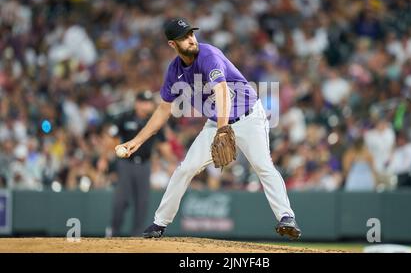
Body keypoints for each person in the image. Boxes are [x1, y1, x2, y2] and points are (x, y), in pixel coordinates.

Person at [116, 17, 301, 239]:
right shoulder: (174, 71)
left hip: (249, 116)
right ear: (172, 44)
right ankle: (159, 223)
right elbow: (163, 110)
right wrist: (136, 141)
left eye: (191, 34)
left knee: (263, 166)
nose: (191, 39)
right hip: (217, 122)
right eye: (183, 37)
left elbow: (222, 91)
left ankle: (286, 216)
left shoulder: (208, 55)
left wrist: (223, 130)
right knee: (185, 169)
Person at [109, 90, 174, 237]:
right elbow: (111, 138)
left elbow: (164, 145)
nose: (146, 106)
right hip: (125, 164)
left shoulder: (154, 122)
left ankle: (137, 236)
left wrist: (172, 162)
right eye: (143, 102)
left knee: (142, 202)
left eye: (149, 103)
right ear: (137, 103)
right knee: (121, 200)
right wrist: (107, 156)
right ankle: (113, 232)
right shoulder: (124, 117)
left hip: (144, 165)